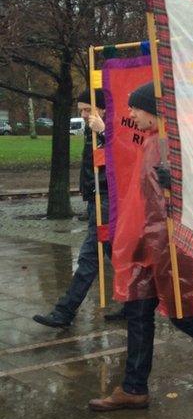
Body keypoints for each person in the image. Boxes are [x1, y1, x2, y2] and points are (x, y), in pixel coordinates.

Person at [88, 82, 193, 411]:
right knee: (137, 311)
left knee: (184, 313)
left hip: (176, 245)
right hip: (148, 243)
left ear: (153, 110)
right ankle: (134, 388)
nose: (131, 114)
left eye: (136, 108)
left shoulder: (182, 143)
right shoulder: (151, 141)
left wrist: (180, 185)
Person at [34, 89, 125, 328]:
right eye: (81, 110)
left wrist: (104, 132)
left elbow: (122, 158)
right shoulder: (91, 129)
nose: (83, 115)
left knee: (88, 258)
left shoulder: (111, 128)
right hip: (96, 200)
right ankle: (137, 304)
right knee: (117, 256)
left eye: (87, 109)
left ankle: (65, 311)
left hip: (106, 201)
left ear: (102, 109)